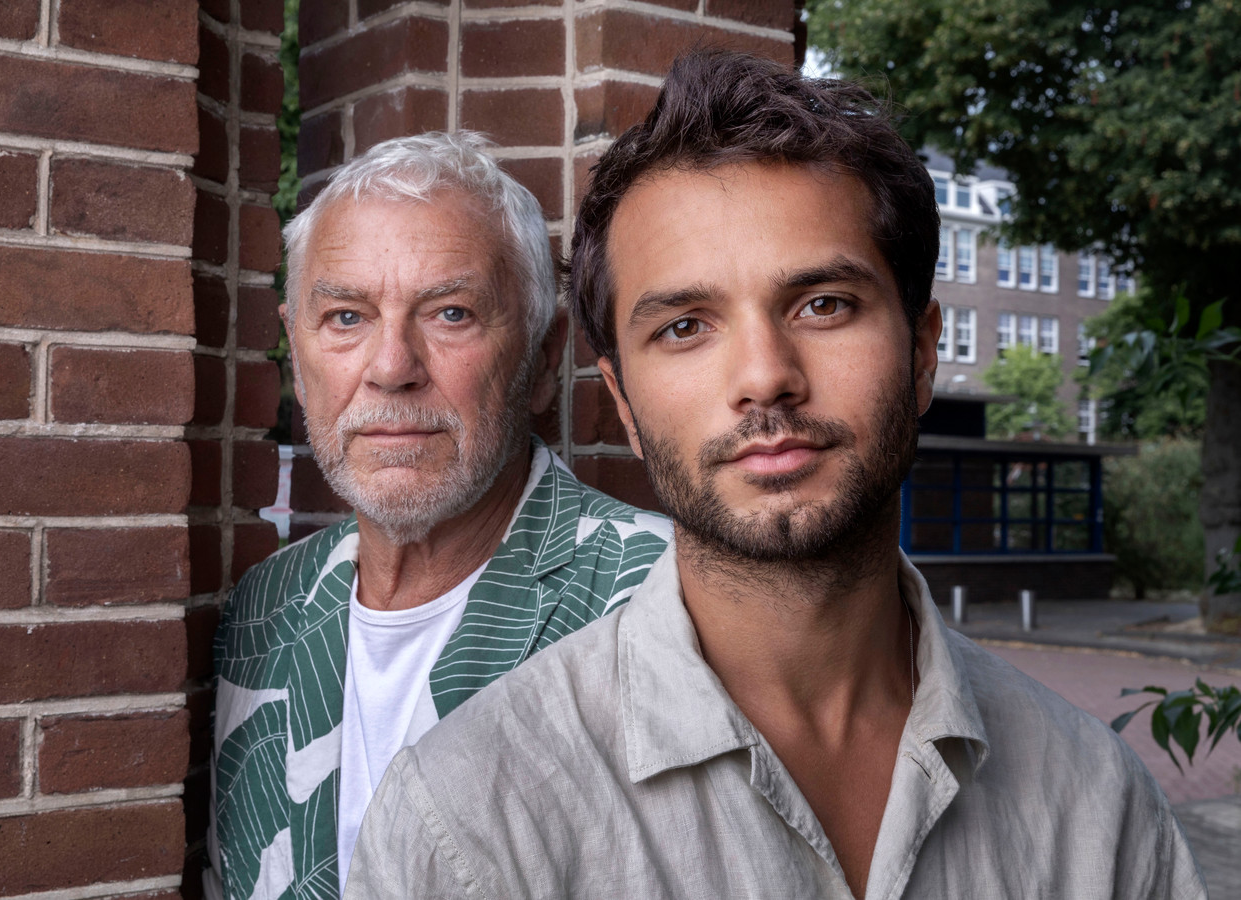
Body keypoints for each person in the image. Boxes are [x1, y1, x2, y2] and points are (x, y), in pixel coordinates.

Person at [343, 53, 1205, 899]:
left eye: (823, 304)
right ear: (625, 405)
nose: (764, 375)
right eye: (685, 326)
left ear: (923, 352)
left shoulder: (1100, 804)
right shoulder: (466, 828)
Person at [204, 131, 671, 900]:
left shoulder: (665, 602)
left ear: (544, 359)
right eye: (347, 317)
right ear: (296, 351)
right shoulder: (263, 609)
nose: (391, 368)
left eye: (450, 313)